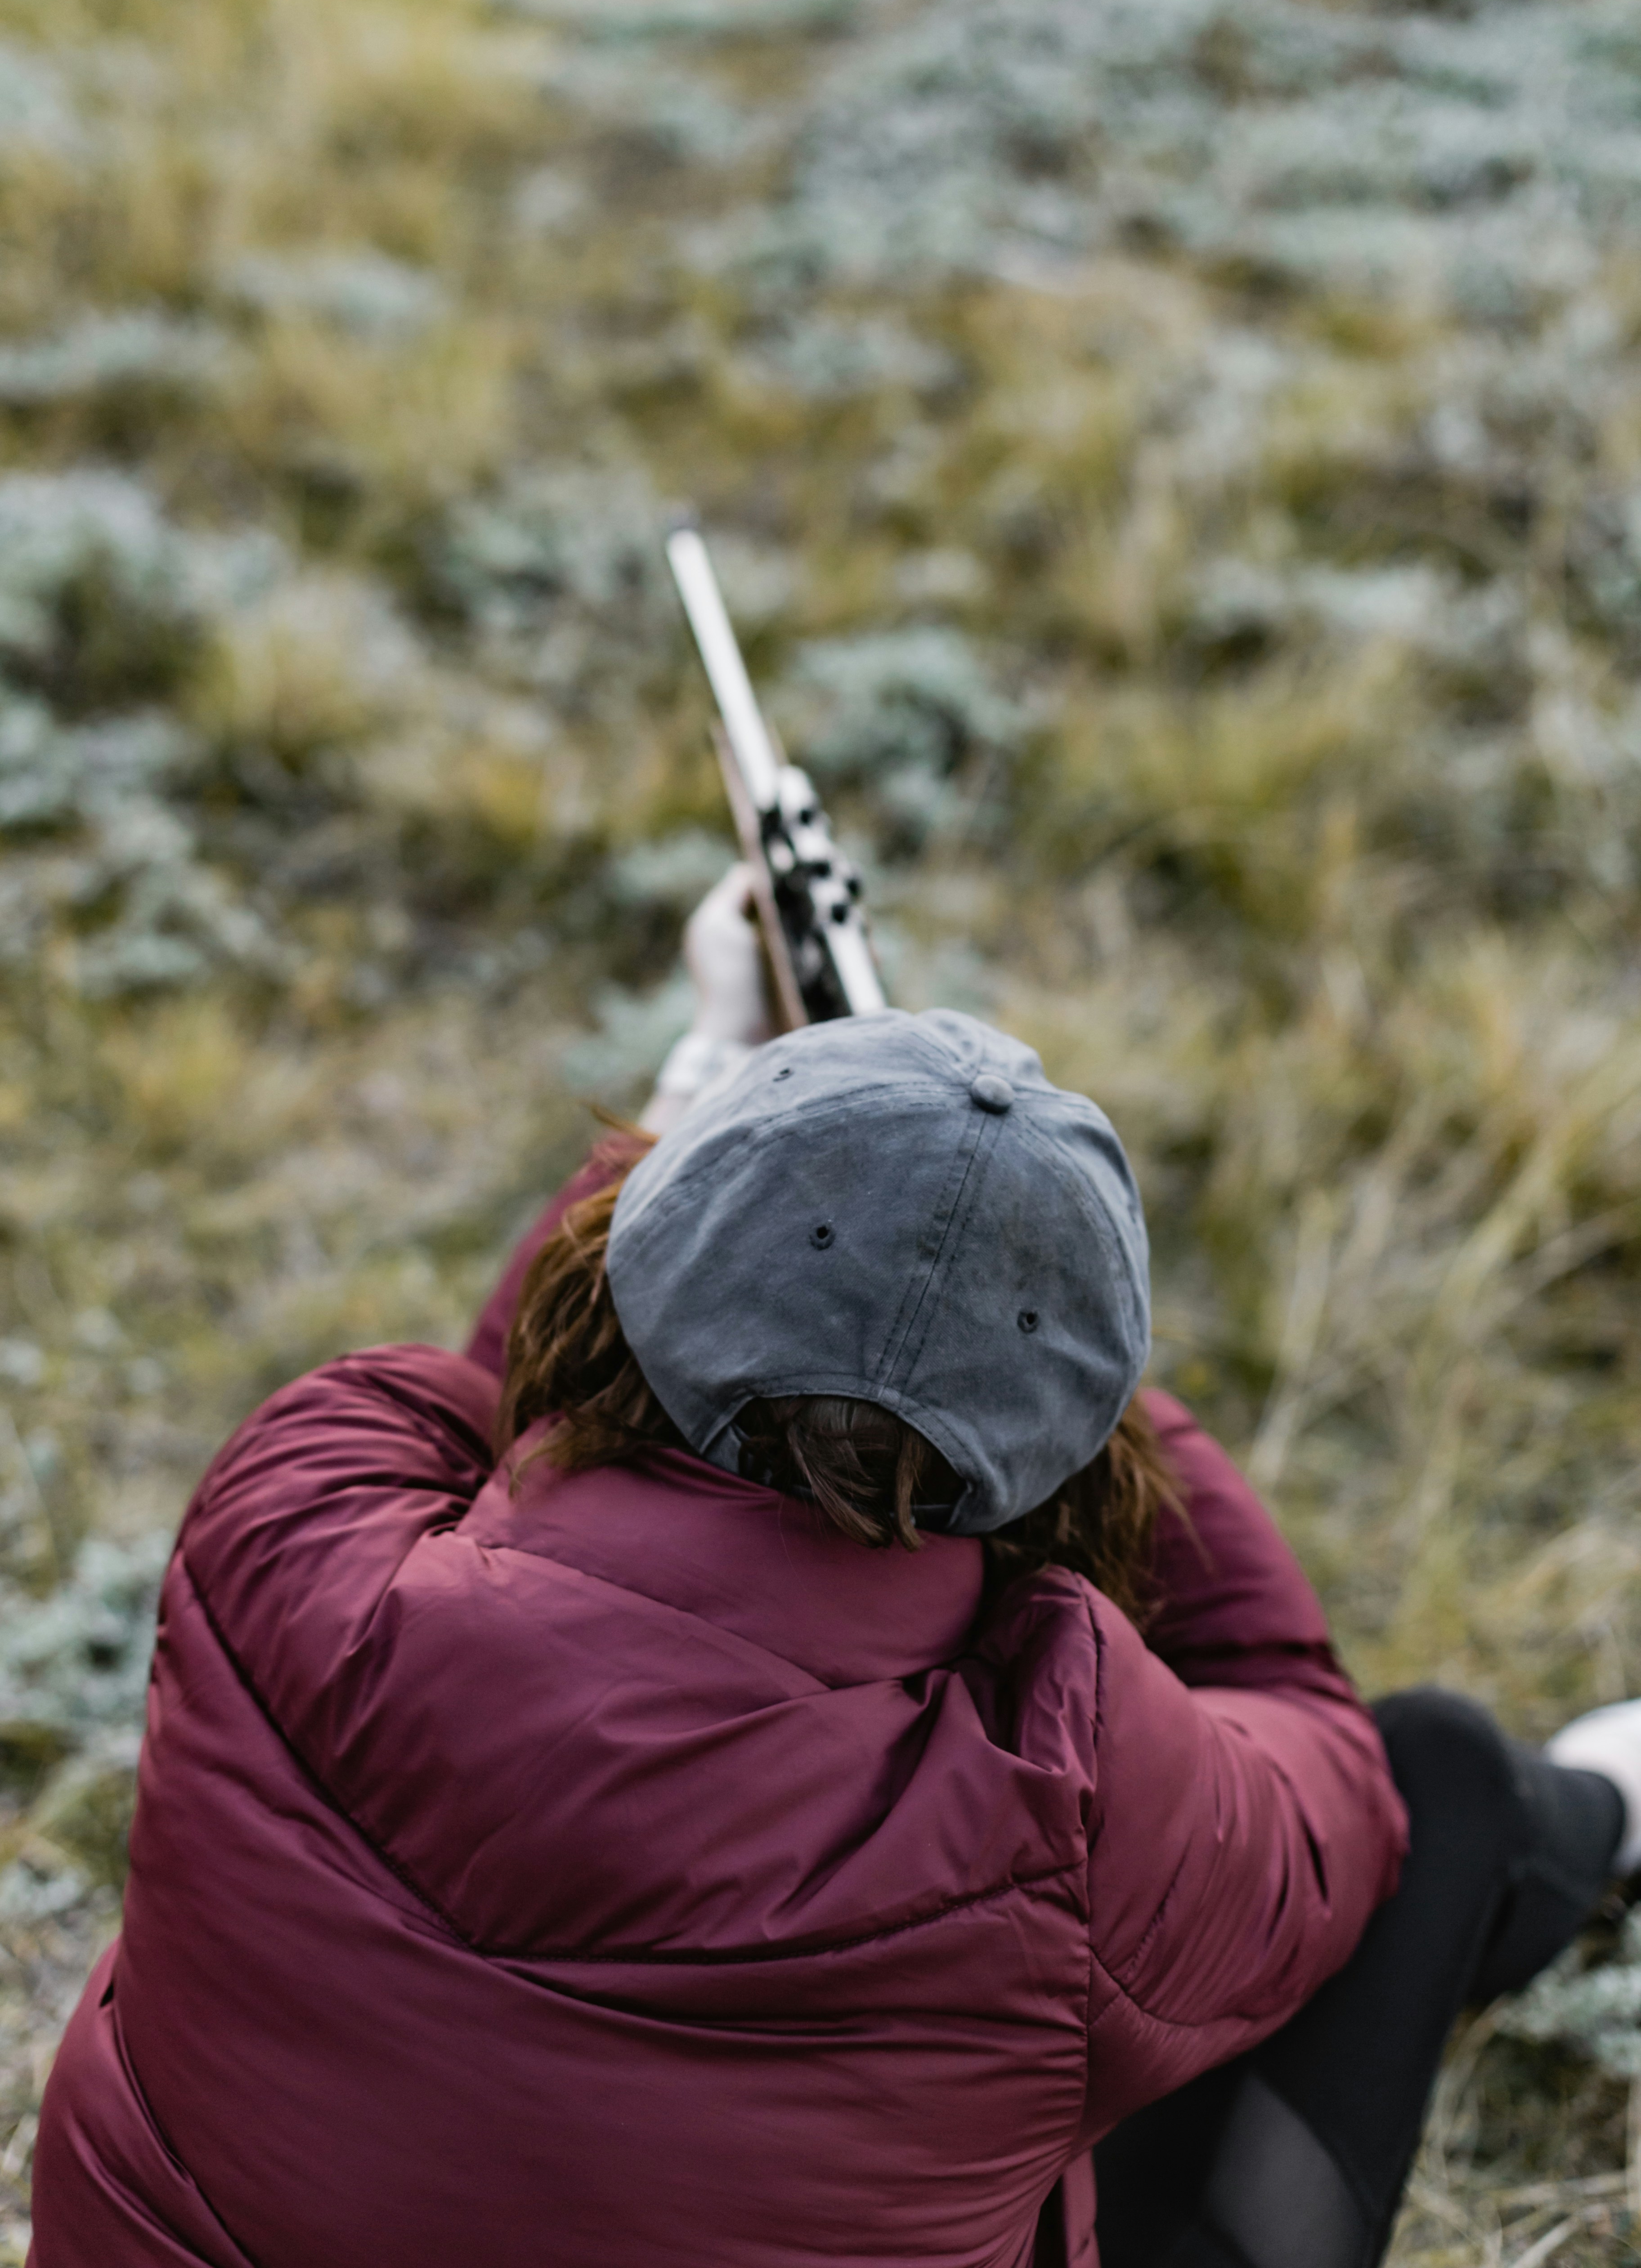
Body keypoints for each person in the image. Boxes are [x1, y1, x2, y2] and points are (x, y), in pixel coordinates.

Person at [28, 868, 1641, 2268]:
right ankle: (1591, 1825)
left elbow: (510, 1411)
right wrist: (1068, 1381)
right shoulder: (1076, 1794)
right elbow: (1314, 1748)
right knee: (1434, 1776)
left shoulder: (290, 1520)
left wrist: (730, 1077)